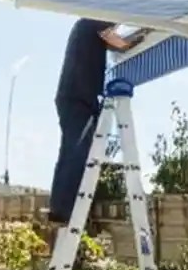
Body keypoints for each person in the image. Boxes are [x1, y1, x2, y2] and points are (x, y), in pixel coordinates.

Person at [49, 18, 142, 225]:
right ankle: (64, 210)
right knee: (78, 150)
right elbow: (112, 39)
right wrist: (134, 42)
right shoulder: (94, 18)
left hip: (78, 97)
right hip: (78, 97)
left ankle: (62, 208)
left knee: (74, 150)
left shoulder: (86, 25)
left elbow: (108, 42)